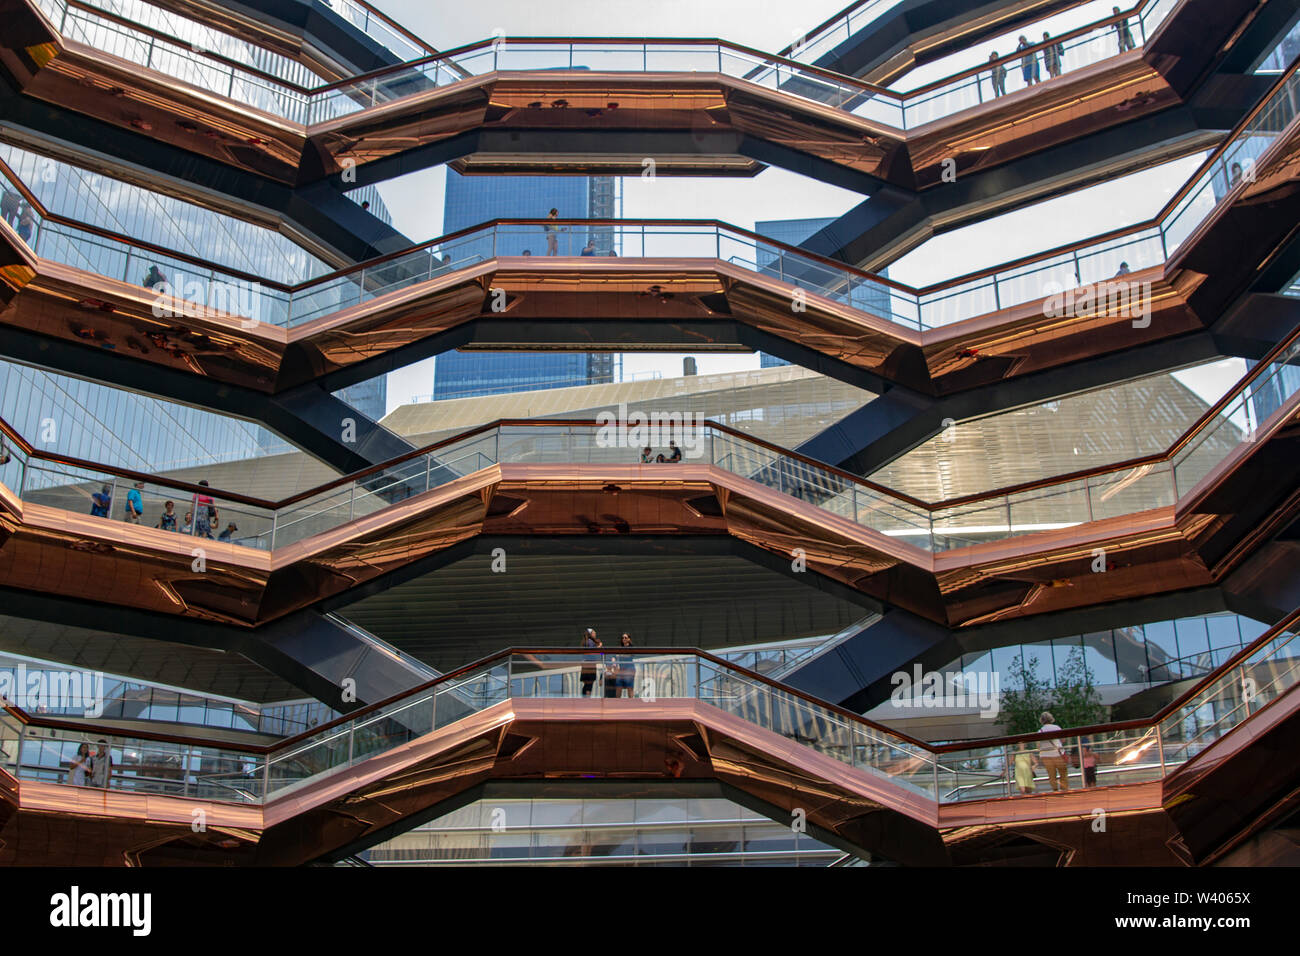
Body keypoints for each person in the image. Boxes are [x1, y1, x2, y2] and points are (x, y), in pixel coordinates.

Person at [1037, 711, 1070, 791]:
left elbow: (1038, 746)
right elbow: (1063, 740)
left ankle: (1055, 790)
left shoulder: (1040, 731)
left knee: (1052, 775)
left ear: (1041, 720)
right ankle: (1064, 789)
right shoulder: (1056, 728)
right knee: (1063, 773)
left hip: (1046, 755)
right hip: (1057, 754)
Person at [579, 629, 600, 697]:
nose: (595, 634)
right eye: (594, 633)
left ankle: (584, 697)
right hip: (591, 666)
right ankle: (587, 699)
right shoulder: (591, 642)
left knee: (586, 684)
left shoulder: (585, 642)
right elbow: (592, 652)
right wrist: (599, 647)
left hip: (585, 666)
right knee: (589, 684)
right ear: (590, 634)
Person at [615, 633, 635, 698]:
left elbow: (630, 656)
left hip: (629, 670)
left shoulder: (632, 648)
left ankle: (631, 705)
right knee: (618, 688)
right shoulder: (619, 648)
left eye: (625, 638)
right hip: (621, 671)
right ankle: (617, 705)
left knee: (630, 688)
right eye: (622, 638)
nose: (624, 639)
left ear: (629, 639)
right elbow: (616, 657)